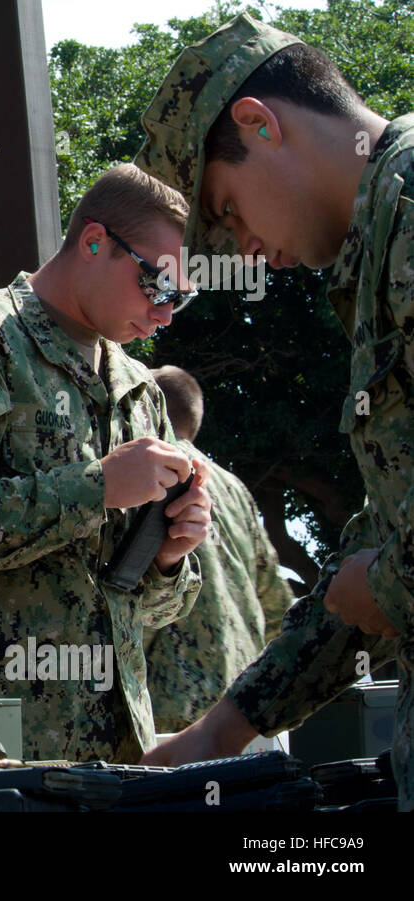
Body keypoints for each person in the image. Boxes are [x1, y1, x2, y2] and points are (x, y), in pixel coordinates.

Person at [134, 12, 410, 809]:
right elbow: (385, 535)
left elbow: (384, 567)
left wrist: (387, 584)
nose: (243, 246)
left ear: (259, 123)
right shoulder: (382, 237)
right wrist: (222, 730)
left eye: (225, 210)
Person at [0, 163, 212, 763]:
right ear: (93, 242)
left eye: (181, 299)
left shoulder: (140, 393)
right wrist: (96, 490)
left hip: (108, 749)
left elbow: (157, 610)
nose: (166, 313)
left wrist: (168, 557)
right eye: (158, 286)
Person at [143, 365, 295, 733]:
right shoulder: (236, 490)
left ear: (144, 407)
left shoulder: (150, 472)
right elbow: (277, 604)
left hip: (169, 709)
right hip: (244, 707)